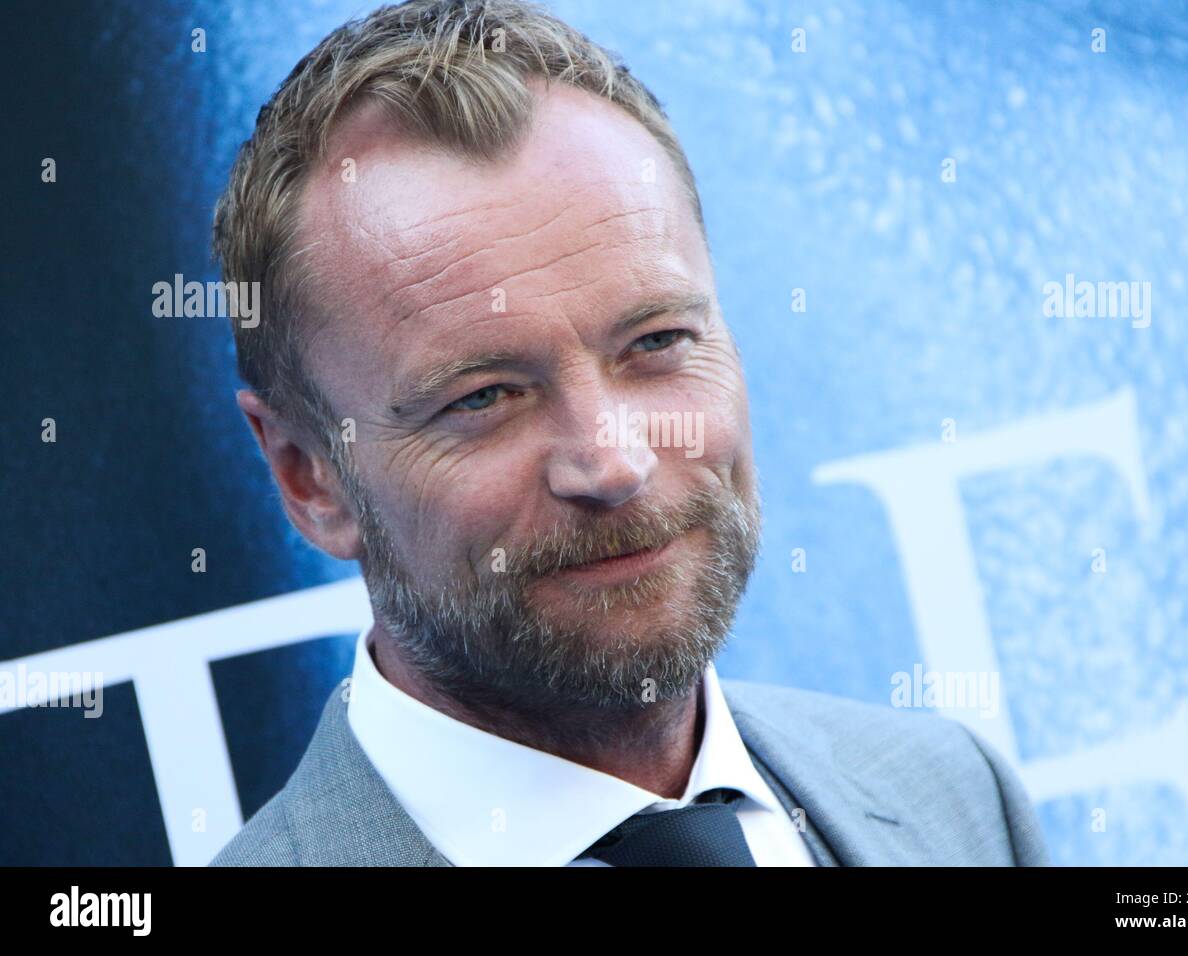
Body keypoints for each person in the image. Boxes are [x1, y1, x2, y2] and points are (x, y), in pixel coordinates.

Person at [208, 0, 1050, 867]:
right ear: (309, 476)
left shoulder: (955, 800)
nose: (613, 463)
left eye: (656, 344)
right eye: (485, 396)